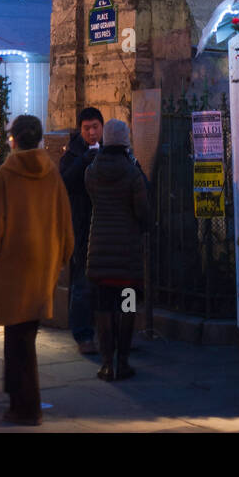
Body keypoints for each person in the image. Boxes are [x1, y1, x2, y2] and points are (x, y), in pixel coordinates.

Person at [0, 114, 74, 426]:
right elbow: (66, 228)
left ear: (15, 139)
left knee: (18, 341)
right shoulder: (52, 175)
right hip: (41, 270)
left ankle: (26, 407)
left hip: (11, 269)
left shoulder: (6, 175)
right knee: (23, 336)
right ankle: (15, 399)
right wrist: (57, 260)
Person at [84, 118, 148, 382]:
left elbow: (93, 200)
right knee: (127, 307)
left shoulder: (91, 171)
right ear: (125, 140)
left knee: (103, 308)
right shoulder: (132, 173)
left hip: (99, 251)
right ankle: (123, 361)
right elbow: (143, 212)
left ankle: (107, 363)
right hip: (127, 257)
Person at [59, 106, 103, 355]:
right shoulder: (72, 153)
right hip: (80, 226)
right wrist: (82, 162)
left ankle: (109, 329)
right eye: (87, 128)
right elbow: (63, 182)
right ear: (80, 129)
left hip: (105, 228)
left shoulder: (111, 149)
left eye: (95, 127)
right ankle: (83, 334)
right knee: (81, 283)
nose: (92, 132)